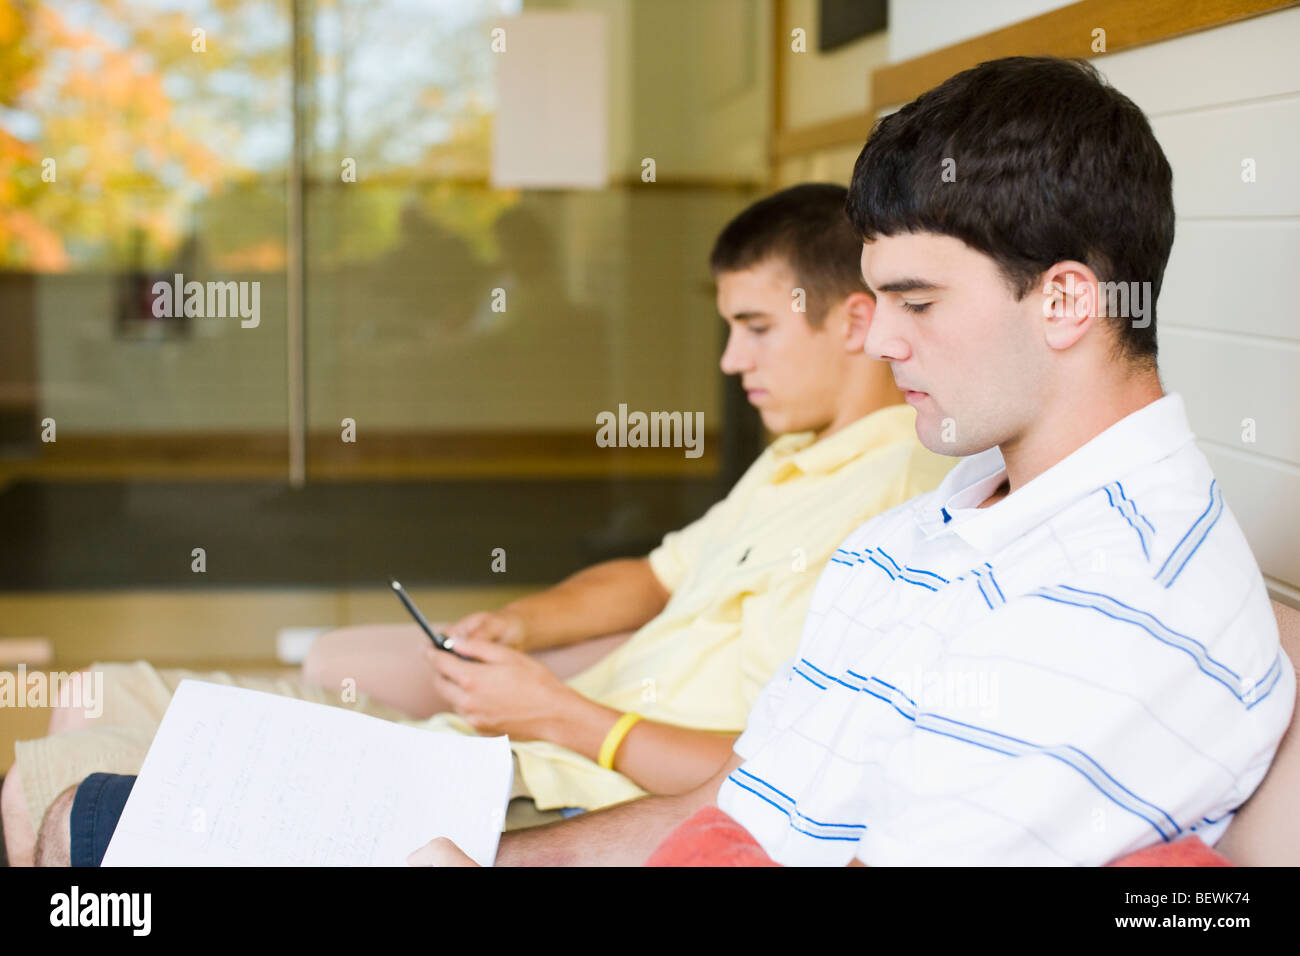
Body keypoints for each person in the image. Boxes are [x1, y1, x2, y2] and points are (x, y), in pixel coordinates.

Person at [397, 54, 1292, 866]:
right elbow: (740, 804)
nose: (884, 342)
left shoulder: (1123, 602)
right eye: (877, 299)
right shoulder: (922, 530)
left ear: (1063, 301)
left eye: (918, 302)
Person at [10, 183, 957, 866]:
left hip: (543, 796)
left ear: (852, 320)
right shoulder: (793, 459)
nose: (728, 358)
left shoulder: (889, 499)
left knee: (64, 791)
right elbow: (653, 577)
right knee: (102, 692)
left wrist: (557, 711)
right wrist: (521, 628)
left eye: (755, 326)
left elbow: (768, 770)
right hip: (508, 751)